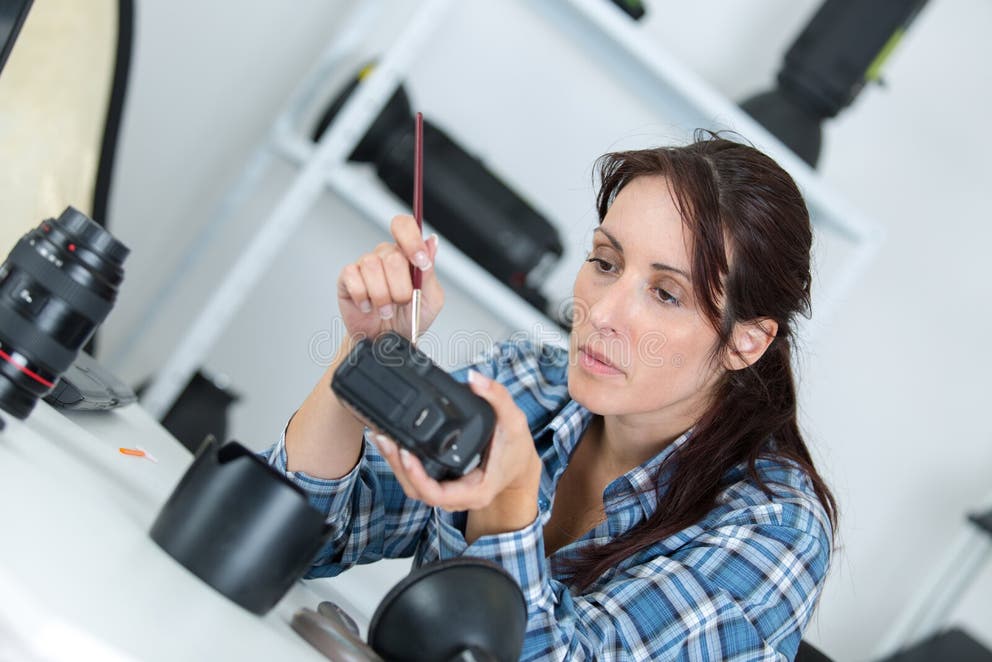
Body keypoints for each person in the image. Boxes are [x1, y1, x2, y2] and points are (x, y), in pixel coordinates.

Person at [262, 132, 836, 660]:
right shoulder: (529, 384)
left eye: (665, 294)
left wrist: (509, 501)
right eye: (605, 263)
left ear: (745, 342)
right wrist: (365, 359)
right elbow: (289, 541)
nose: (601, 313)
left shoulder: (776, 528)